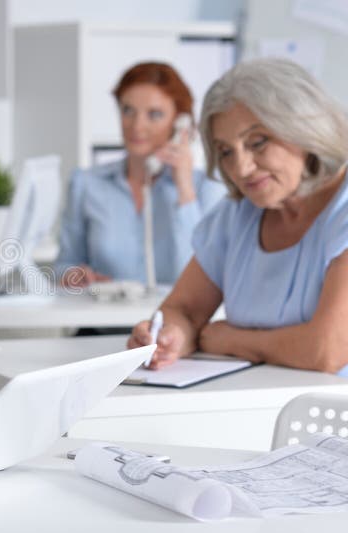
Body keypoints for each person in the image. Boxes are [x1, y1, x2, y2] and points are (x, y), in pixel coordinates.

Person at [128, 58, 348, 376]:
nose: (242, 168)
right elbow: (185, 311)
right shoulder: (237, 213)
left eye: (258, 143)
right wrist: (168, 337)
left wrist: (230, 340)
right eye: (226, 152)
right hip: (250, 399)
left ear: (304, 129)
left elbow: (327, 351)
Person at [55, 62, 225, 287]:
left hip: (176, 311)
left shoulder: (207, 188)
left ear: (179, 125)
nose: (137, 125)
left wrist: (185, 191)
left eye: (154, 114)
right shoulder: (86, 184)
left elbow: (205, 274)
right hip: (104, 310)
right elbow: (64, 264)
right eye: (128, 111)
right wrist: (74, 275)